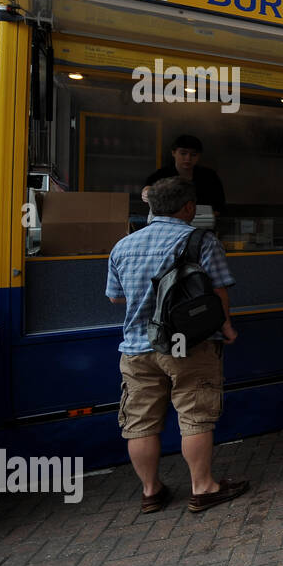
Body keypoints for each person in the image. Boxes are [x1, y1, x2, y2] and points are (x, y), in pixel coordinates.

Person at [106, 176, 248, 514]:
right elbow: (218, 292)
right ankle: (203, 487)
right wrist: (226, 327)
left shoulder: (123, 245)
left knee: (140, 421)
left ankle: (151, 491)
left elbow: (115, 297)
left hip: (138, 347)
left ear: (151, 206)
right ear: (188, 207)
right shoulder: (201, 241)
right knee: (195, 415)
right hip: (188, 344)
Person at [143, 134, 227, 215]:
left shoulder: (209, 176)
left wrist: (208, 218)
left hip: (202, 222)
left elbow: (219, 205)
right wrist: (146, 193)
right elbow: (147, 190)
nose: (188, 158)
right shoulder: (161, 174)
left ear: (199, 156)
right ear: (173, 153)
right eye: (183, 153)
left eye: (193, 155)